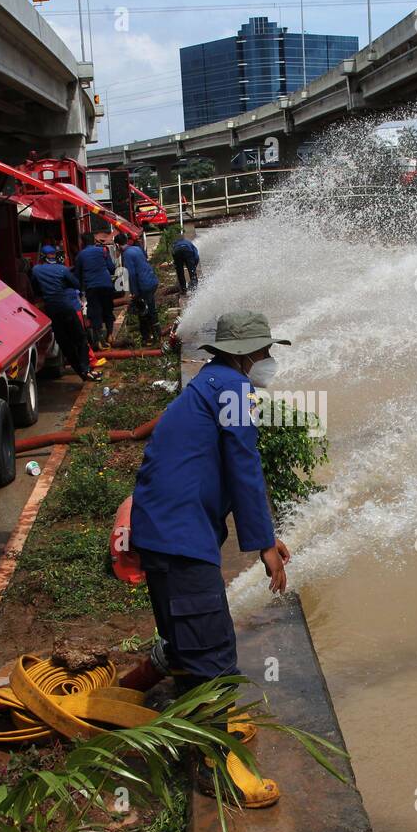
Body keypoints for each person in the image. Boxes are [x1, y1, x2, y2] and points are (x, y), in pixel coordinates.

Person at [129, 310, 292, 805]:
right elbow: (244, 467)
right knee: (211, 646)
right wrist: (264, 544)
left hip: (166, 530)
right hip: (179, 535)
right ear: (245, 354)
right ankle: (212, 765)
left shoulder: (209, 385)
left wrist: (266, 532)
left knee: (188, 640)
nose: (268, 360)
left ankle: (199, 727)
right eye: (265, 351)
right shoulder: (233, 393)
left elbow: (225, 465)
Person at [31, 244, 100, 382]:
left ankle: (81, 372)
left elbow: (35, 288)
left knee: (65, 343)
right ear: (55, 256)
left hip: (51, 310)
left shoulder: (36, 270)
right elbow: (75, 284)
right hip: (66, 307)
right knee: (80, 338)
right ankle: (86, 369)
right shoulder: (62, 269)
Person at [74, 231, 117, 350]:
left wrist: (78, 290)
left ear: (82, 242)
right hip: (106, 285)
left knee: (95, 312)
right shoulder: (103, 251)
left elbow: (77, 275)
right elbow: (112, 268)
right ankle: (110, 335)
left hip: (92, 287)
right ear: (93, 240)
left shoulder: (80, 255)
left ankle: (99, 341)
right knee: (108, 309)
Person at [116, 231, 160, 345]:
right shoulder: (136, 248)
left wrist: (134, 293)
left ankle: (148, 338)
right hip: (152, 281)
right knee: (151, 309)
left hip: (144, 285)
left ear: (117, 245)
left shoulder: (126, 254)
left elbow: (131, 274)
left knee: (143, 311)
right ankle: (156, 335)